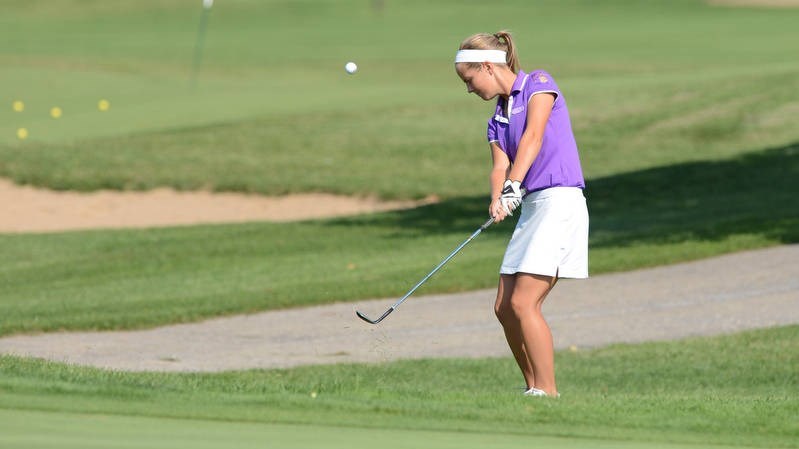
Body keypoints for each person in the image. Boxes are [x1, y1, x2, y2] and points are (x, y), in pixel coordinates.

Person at [454, 31, 589, 397]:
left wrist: (515, 183)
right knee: (503, 306)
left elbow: (533, 136)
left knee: (523, 302)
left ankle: (548, 390)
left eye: (469, 79)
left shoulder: (538, 84)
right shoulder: (496, 118)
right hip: (533, 206)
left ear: (487, 66)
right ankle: (532, 387)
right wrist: (498, 196)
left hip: (559, 201)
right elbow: (500, 166)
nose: (469, 89)